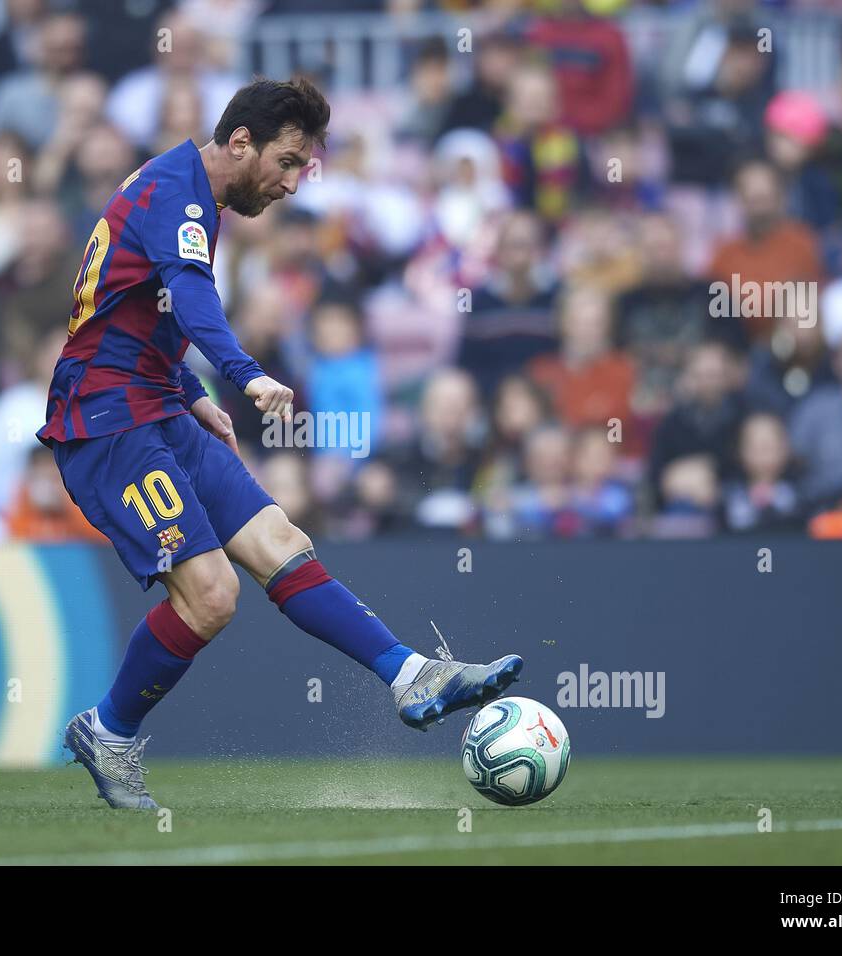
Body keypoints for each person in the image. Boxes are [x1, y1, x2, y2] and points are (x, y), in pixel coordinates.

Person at [36, 78, 522, 810]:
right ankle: (109, 729)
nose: (293, 183)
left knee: (278, 539)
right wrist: (243, 375)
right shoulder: (182, 195)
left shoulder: (188, 187)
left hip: (156, 403)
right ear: (240, 143)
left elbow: (138, 305)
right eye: (288, 162)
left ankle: (409, 673)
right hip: (109, 421)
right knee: (212, 596)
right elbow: (192, 299)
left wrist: (195, 396)